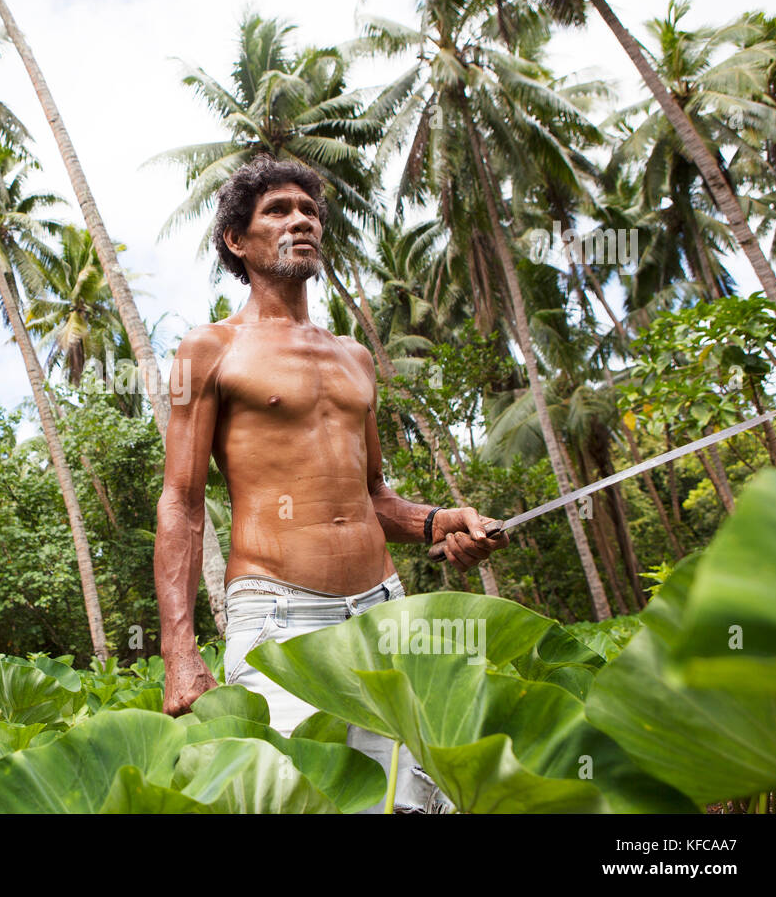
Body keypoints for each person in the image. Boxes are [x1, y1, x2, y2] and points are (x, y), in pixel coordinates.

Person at [153, 155, 509, 812]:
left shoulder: (356, 358)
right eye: (279, 211)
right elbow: (181, 500)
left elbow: (376, 500)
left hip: (381, 611)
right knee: (302, 801)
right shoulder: (204, 352)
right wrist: (179, 649)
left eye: (310, 210)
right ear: (238, 241)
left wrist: (441, 523)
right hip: (280, 617)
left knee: (408, 803)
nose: (302, 220)